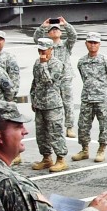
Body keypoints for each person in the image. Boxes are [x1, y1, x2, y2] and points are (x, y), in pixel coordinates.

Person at [72, 32, 107, 164]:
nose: (92, 45)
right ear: (86, 44)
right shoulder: (82, 62)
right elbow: (84, 78)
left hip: (102, 98)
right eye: (90, 42)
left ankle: (101, 149)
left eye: (95, 43)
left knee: (104, 125)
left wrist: (102, 89)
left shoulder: (106, 61)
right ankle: (84, 150)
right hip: (86, 98)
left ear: (99, 44)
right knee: (83, 125)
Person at [32, 17, 77, 138]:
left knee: (68, 102)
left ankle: (69, 126)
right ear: (48, 33)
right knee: (51, 102)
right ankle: (52, 124)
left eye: (57, 29)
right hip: (50, 78)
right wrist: (43, 25)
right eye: (52, 30)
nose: (55, 31)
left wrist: (65, 24)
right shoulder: (47, 47)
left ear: (61, 32)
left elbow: (73, 36)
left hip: (65, 77)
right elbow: (36, 38)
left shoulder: (65, 45)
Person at [30, 39, 69, 173]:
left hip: (52, 105)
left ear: (51, 49)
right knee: (41, 134)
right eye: (39, 49)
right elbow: (35, 82)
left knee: (55, 132)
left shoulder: (57, 64)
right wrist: (33, 99)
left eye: (44, 49)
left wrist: (43, 65)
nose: (41, 52)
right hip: (40, 104)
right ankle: (46, 158)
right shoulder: (37, 62)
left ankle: (61, 159)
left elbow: (49, 81)